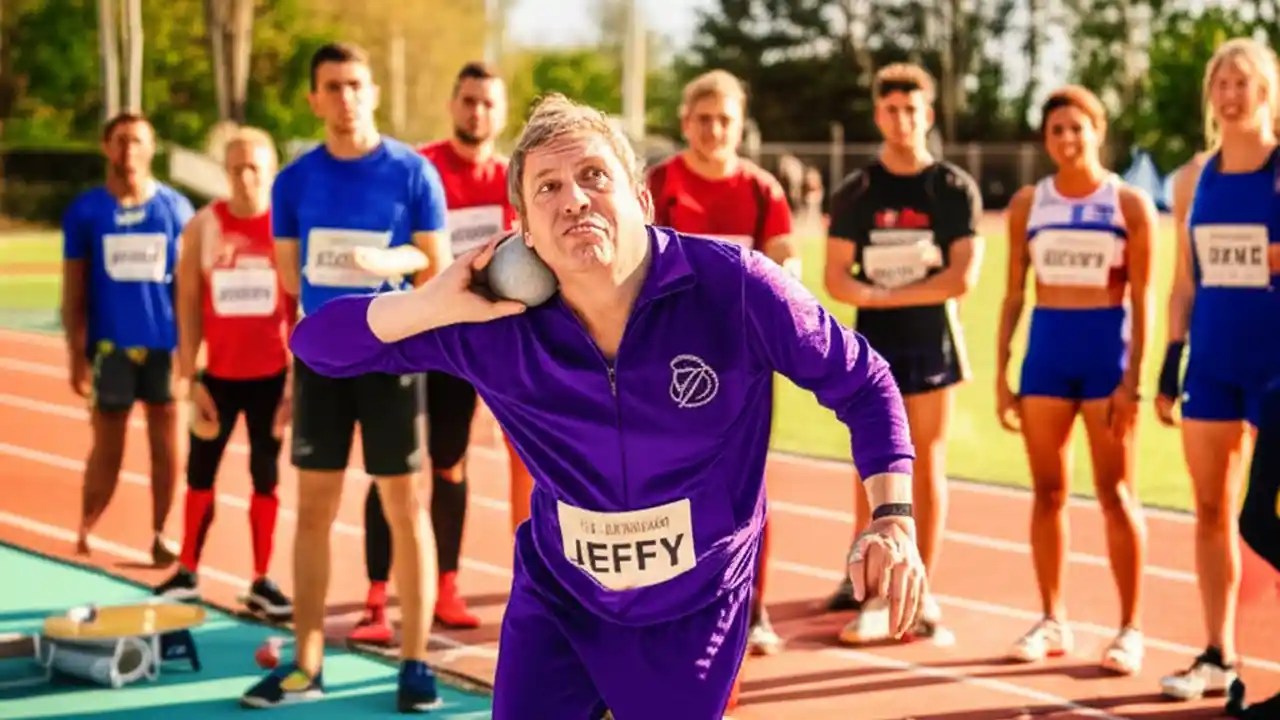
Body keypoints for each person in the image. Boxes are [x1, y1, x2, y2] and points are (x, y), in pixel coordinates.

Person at [287, 93, 927, 719]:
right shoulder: (491, 324)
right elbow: (317, 345)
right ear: (524, 233)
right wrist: (429, 303)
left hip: (694, 609)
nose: (573, 198)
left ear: (642, 200)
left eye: (594, 175)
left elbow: (863, 381)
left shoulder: (734, 286)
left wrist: (893, 515)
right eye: (547, 188)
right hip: (560, 602)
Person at [239, 42, 451, 712]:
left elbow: (434, 266)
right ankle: (306, 663)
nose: (345, 97)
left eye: (356, 84)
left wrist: (381, 258)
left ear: (373, 92)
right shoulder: (295, 180)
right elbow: (286, 271)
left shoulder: (414, 172)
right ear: (315, 98)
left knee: (404, 507)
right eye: (332, 86)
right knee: (315, 512)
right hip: (322, 361)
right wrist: (338, 282)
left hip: (392, 359)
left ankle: (415, 663)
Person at [352, 60, 536, 640]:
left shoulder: (517, 176)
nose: (476, 110)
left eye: (487, 102)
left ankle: (447, 587)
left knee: (451, 465)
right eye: (468, 100)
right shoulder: (420, 168)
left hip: (488, 344)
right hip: (423, 339)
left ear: (500, 112)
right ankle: (377, 595)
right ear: (453, 104)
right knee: (398, 466)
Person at [995, 85, 1155, 674]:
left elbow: (1146, 298)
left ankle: (1130, 628)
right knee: (1047, 493)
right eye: (1057, 130)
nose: (1067, 139)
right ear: (1046, 138)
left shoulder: (1129, 204)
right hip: (1046, 359)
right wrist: (1001, 371)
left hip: (1105, 359)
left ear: (1098, 129)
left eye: (1077, 128)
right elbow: (1015, 294)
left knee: (1116, 494)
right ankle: (1052, 618)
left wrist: (1133, 379)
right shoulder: (1026, 204)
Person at [822, 63, 982, 645]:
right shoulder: (857, 191)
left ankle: (922, 586)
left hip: (933, 344)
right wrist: (877, 296)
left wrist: (895, 294)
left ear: (928, 115)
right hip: (872, 348)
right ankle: (866, 580)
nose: (902, 119)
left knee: (927, 464)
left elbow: (962, 276)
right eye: (891, 110)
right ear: (878, 115)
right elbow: (836, 277)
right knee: (871, 466)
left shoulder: (951, 188)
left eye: (912, 110)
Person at [645, 68, 797, 657]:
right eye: (702, 119)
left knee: (747, 485)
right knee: (663, 482)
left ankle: (753, 610)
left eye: (724, 120)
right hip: (664, 360)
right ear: (686, 123)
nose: (713, 130)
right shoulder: (659, 182)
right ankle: (669, 604)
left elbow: (785, 271)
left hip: (742, 363)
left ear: (740, 126)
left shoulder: (763, 191)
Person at [1154, 37, 1280, 701]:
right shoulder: (1190, 178)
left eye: (1243, 83)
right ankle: (1217, 653)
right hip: (1215, 363)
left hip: (1277, 370)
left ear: (1267, 91)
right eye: (1220, 84)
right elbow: (1183, 282)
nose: (1230, 96)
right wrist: (1170, 362)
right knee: (1212, 510)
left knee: (1271, 518)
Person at [151, 126, 295, 620]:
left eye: (254, 167)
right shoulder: (203, 227)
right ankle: (187, 569)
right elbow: (187, 303)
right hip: (218, 376)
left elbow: (299, 307)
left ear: (270, 171)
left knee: (265, 476)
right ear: (223, 172)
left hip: (272, 374)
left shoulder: (284, 228)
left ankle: (261, 579)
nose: (244, 177)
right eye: (235, 168)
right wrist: (189, 377)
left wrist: (296, 380)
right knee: (200, 472)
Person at [61, 112, 193, 565]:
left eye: (137, 141)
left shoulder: (176, 209)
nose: (128, 151)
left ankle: (161, 532)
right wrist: (75, 356)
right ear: (105, 147)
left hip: (163, 348)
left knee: (166, 445)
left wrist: (191, 354)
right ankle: (86, 525)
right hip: (110, 349)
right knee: (107, 447)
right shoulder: (86, 211)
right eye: (120, 141)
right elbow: (73, 291)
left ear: (152, 148)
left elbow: (188, 289)